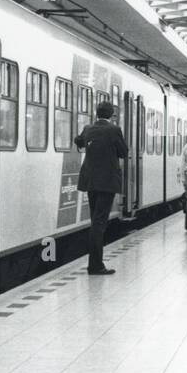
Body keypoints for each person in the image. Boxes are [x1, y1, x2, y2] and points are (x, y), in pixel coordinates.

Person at [75, 101, 128, 275]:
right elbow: (123, 152)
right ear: (111, 114)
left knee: (95, 221)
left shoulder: (88, 128)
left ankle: (94, 263)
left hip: (90, 181)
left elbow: (79, 141)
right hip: (107, 182)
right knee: (99, 223)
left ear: (97, 113)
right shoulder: (114, 130)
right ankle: (96, 265)